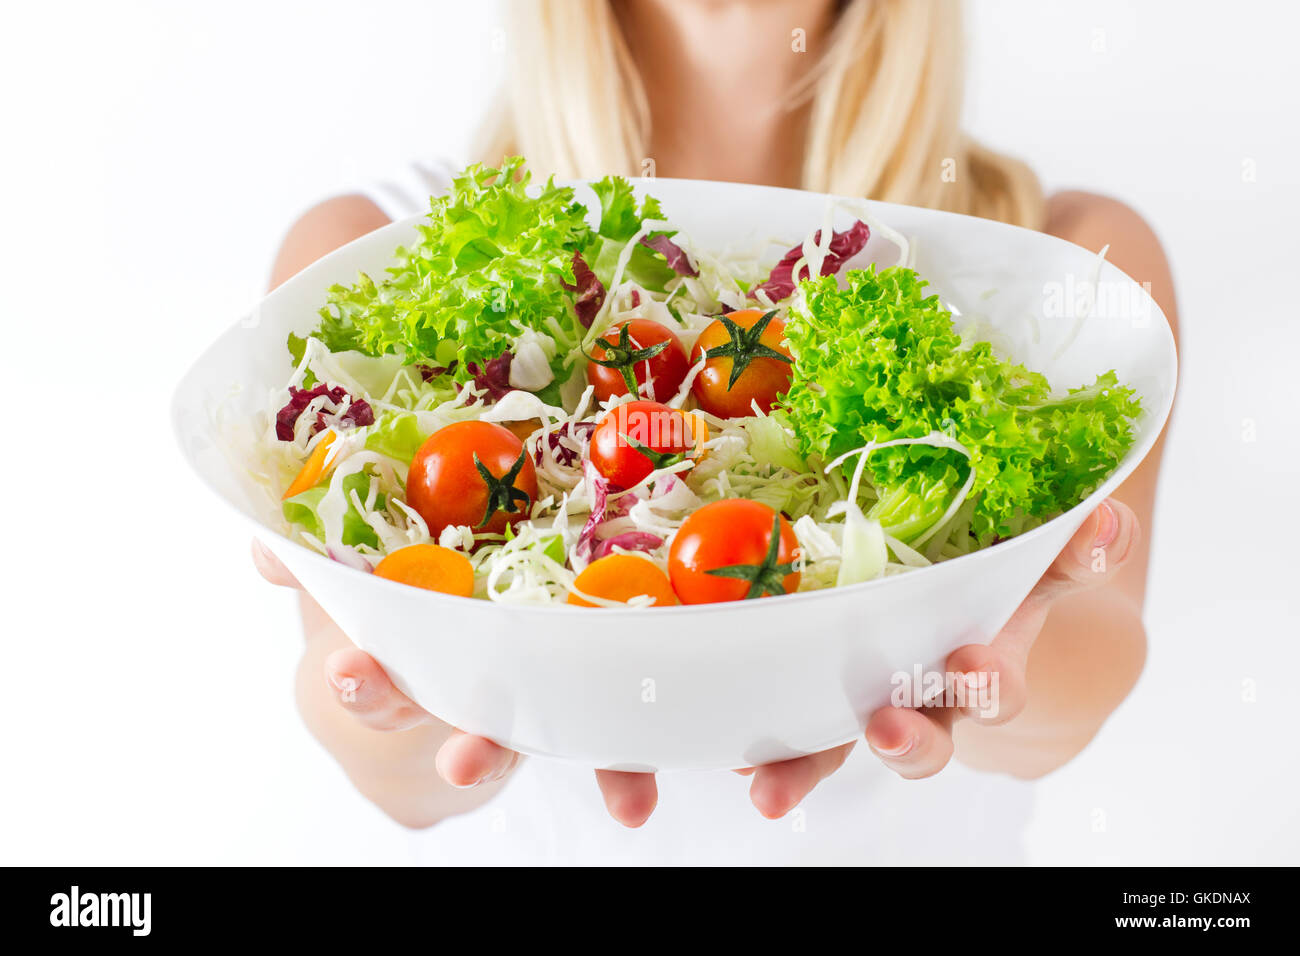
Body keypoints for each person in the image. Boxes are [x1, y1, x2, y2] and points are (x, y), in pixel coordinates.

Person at [252, 0, 1178, 864]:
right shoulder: (371, 247)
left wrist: (988, 639)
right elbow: (391, 773)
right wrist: (410, 695)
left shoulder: (1070, 265)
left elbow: (1069, 705)